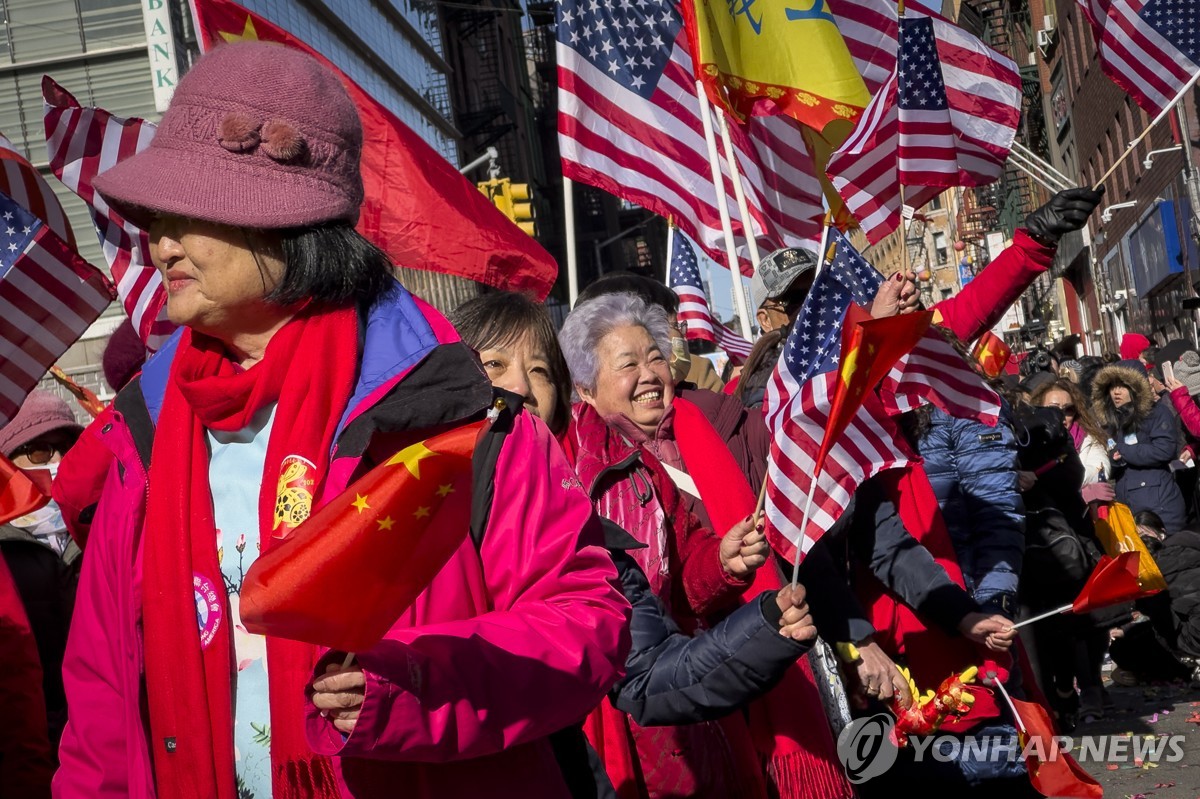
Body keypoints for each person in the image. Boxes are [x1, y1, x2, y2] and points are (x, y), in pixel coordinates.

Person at [57, 42, 631, 799]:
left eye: (187, 212)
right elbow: (100, 715)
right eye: (156, 216)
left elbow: (586, 621)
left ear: (287, 222)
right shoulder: (142, 439)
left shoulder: (456, 416)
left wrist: (410, 681)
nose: (159, 242)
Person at [0, 390, 79, 753]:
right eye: (40, 451)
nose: (59, 460)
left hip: (91, 729)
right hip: (26, 740)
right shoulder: (3, 543)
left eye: (67, 446)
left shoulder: (96, 528)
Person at [1091, 361, 1187, 531]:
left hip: (1159, 505)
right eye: (1112, 386)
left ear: (1137, 387)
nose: (1116, 392)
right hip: (1127, 506)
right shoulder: (1111, 420)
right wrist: (1113, 460)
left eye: (1122, 386)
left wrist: (1124, 451)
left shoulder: (1157, 413)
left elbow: (1164, 450)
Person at [1030, 378, 1112, 485]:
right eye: (1053, 409)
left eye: (1068, 410)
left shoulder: (1089, 439)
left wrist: (1055, 476)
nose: (1062, 416)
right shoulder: (1027, 439)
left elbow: (1101, 470)